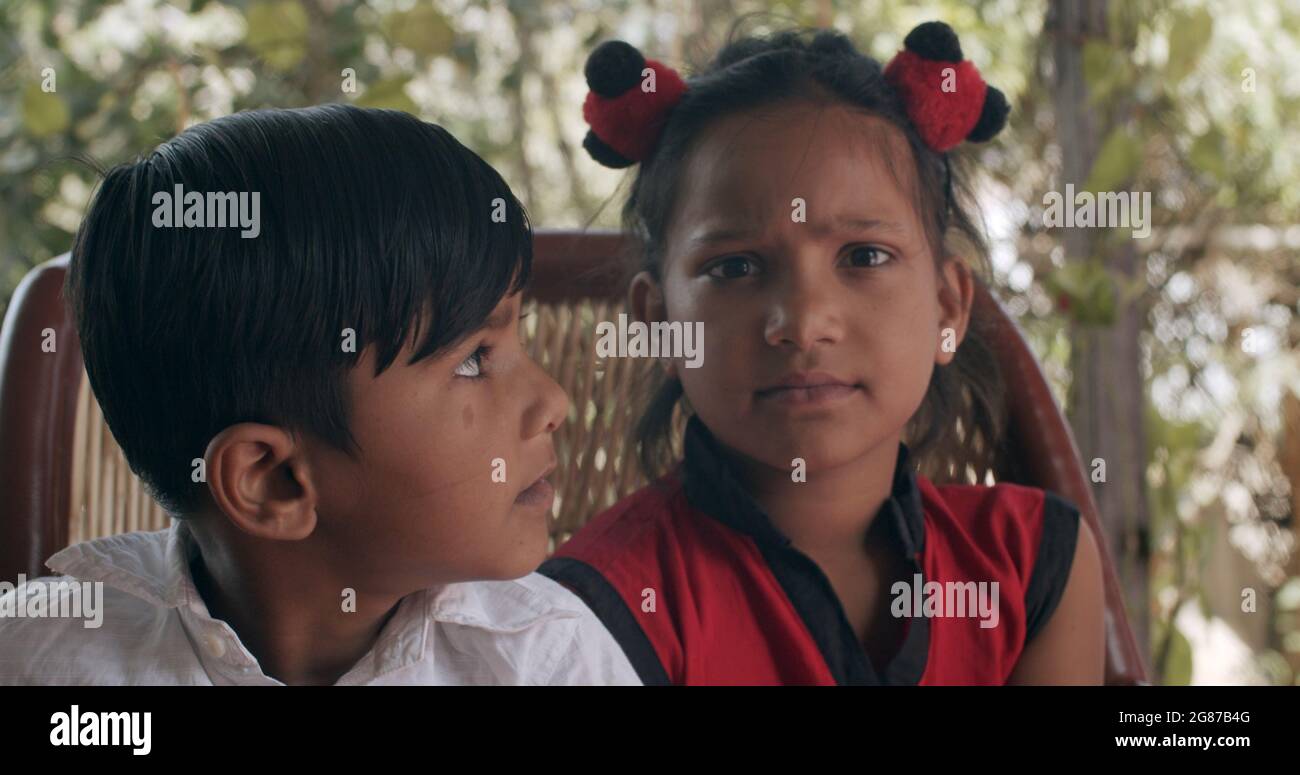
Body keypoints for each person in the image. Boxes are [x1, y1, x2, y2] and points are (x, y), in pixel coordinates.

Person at [541, 21, 1106, 685]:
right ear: (659, 321)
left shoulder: (1033, 565)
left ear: (947, 307)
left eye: (863, 256)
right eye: (735, 267)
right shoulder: (591, 617)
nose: (804, 324)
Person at [0, 104, 640, 686]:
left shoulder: (549, 661)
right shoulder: (42, 659)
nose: (553, 401)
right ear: (274, 481)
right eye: (474, 359)